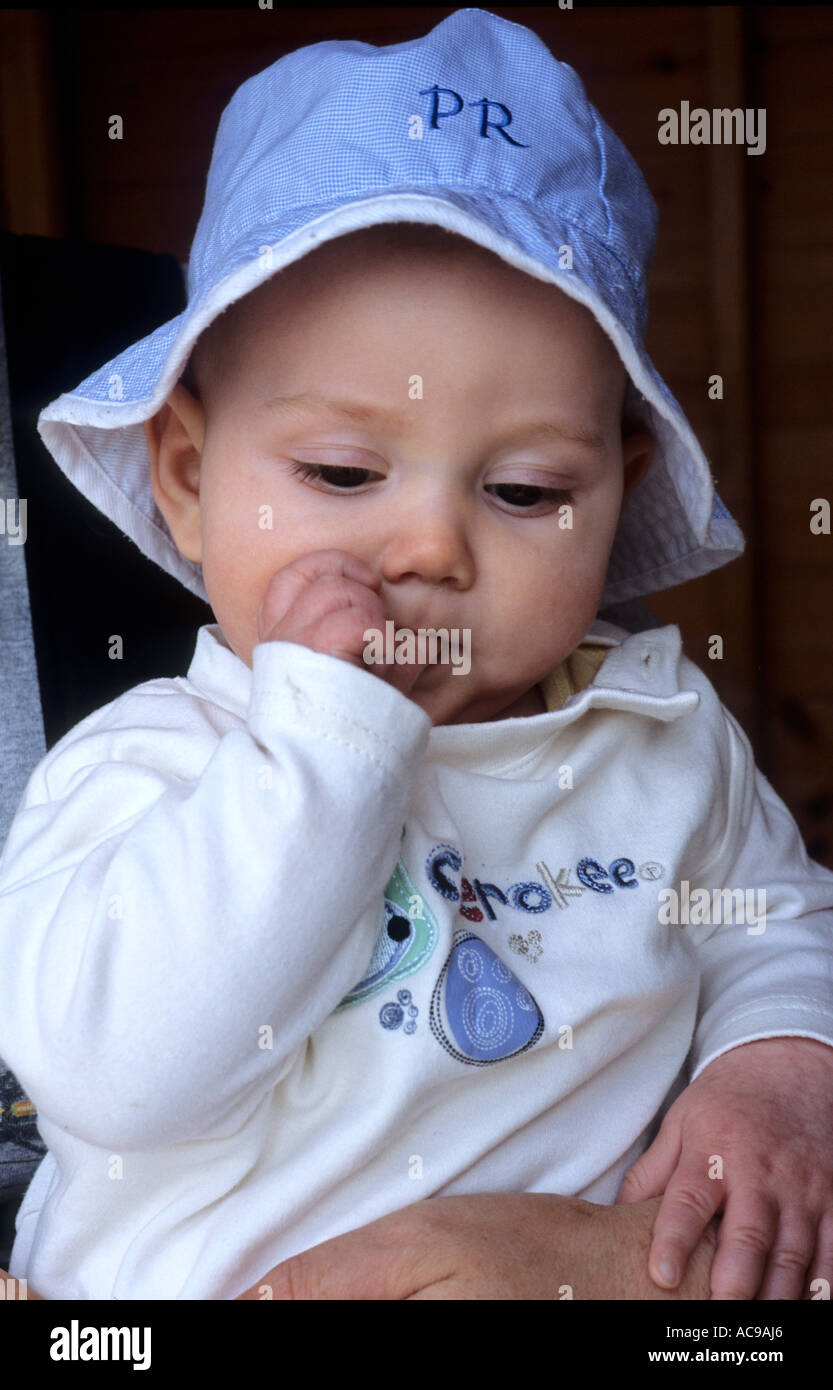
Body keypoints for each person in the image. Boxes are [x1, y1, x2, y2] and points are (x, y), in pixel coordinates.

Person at [0, 8, 831, 1302]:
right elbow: (120, 1075)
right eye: (341, 472)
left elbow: (776, 925)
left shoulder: (658, 737)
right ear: (184, 481)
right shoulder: (149, 768)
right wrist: (329, 747)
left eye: (520, 489)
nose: (429, 545)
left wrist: (775, 1071)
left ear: (617, 494)